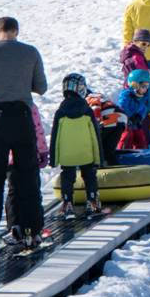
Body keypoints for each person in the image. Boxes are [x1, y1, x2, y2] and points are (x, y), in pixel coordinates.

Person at [0, 16, 48, 255]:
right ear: (17, 30)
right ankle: (30, 230)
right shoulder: (30, 52)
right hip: (23, 117)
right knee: (27, 174)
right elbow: (41, 87)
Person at [49, 72, 104, 218]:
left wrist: (53, 159)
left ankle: (67, 202)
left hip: (67, 156)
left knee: (67, 177)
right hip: (86, 153)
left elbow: (55, 136)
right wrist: (99, 158)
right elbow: (94, 135)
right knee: (89, 175)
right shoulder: (87, 111)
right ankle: (92, 200)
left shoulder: (60, 112)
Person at [115, 67, 150, 150]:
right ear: (135, 85)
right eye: (144, 86)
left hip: (135, 123)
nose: (146, 89)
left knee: (140, 137)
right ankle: (122, 153)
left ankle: (141, 154)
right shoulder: (126, 96)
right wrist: (129, 118)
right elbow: (122, 108)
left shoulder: (144, 96)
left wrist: (140, 116)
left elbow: (144, 108)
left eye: (147, 86)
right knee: (127, 136)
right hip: (126, 123)